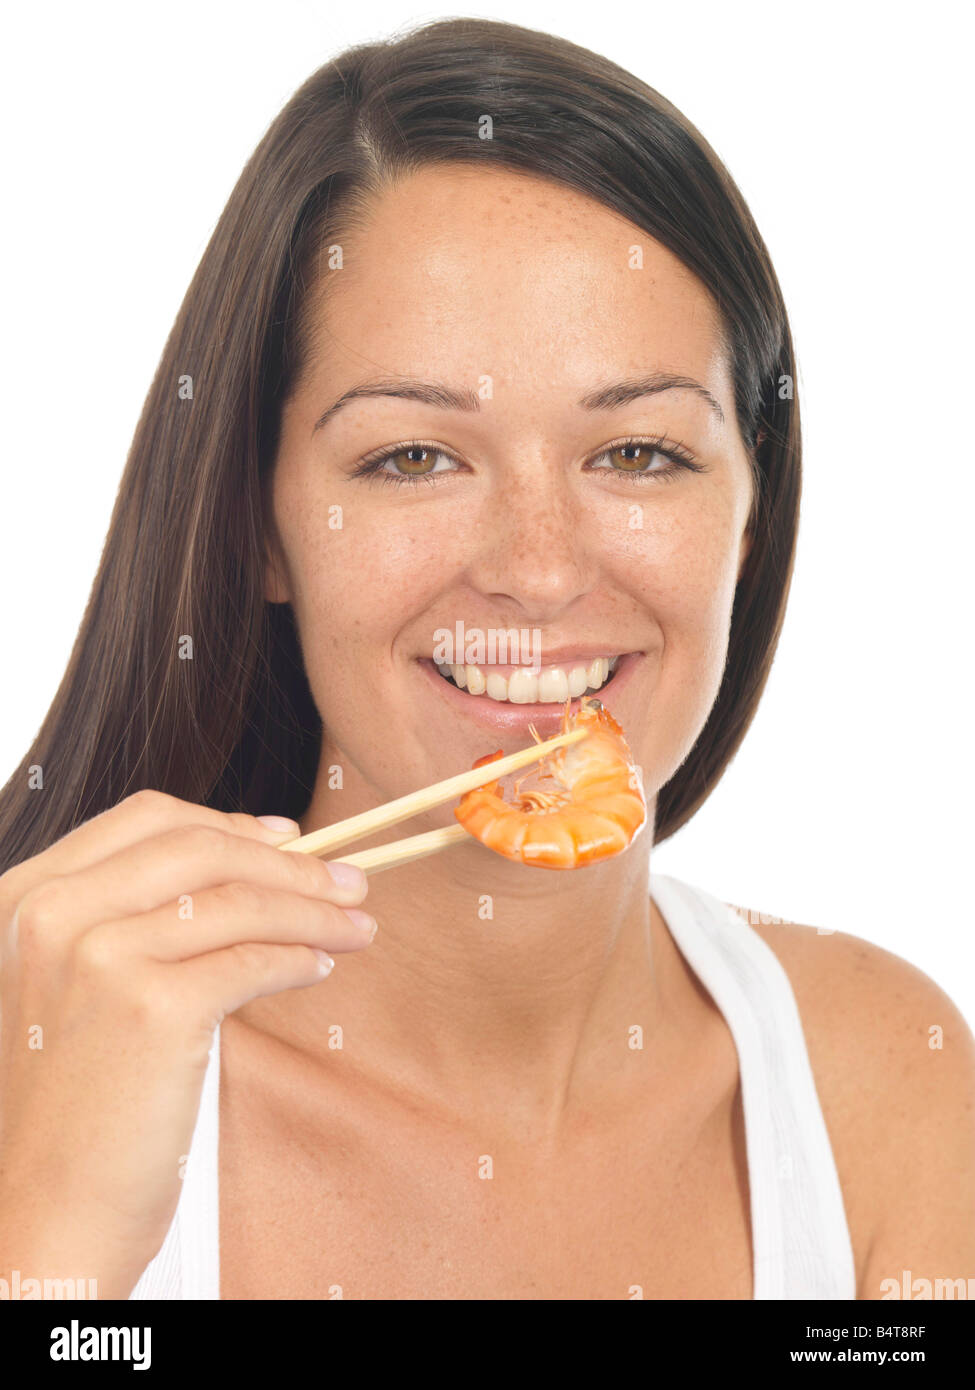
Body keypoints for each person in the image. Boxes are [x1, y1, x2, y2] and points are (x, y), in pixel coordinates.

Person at [1, 17, 972, 1302]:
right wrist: (48, 1258)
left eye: (639, 454)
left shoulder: (887, 1077)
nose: (541, 567)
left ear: (752, 514)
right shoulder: (41, 1050)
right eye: (413, 457)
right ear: (260, 522)